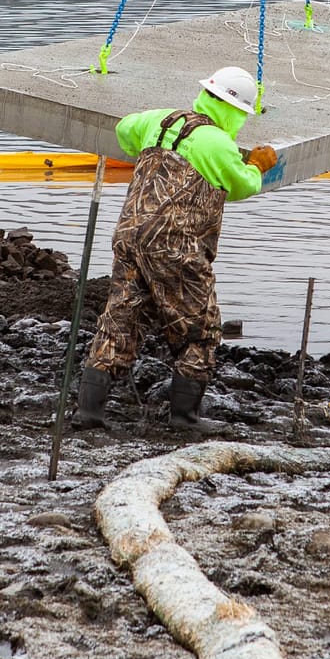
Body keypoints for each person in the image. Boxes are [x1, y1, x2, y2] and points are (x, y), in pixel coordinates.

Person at [71, 65, 276, 431]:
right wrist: (258, 166)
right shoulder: (218, 144)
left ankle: (88, 414)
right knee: (200, 330)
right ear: (234, 110)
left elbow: (123, 129)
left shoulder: (160, 120)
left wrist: (148, 145)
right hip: (175, 247)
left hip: (131, 237)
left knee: (119, 322)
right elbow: (243, 187)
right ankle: (185, 419)